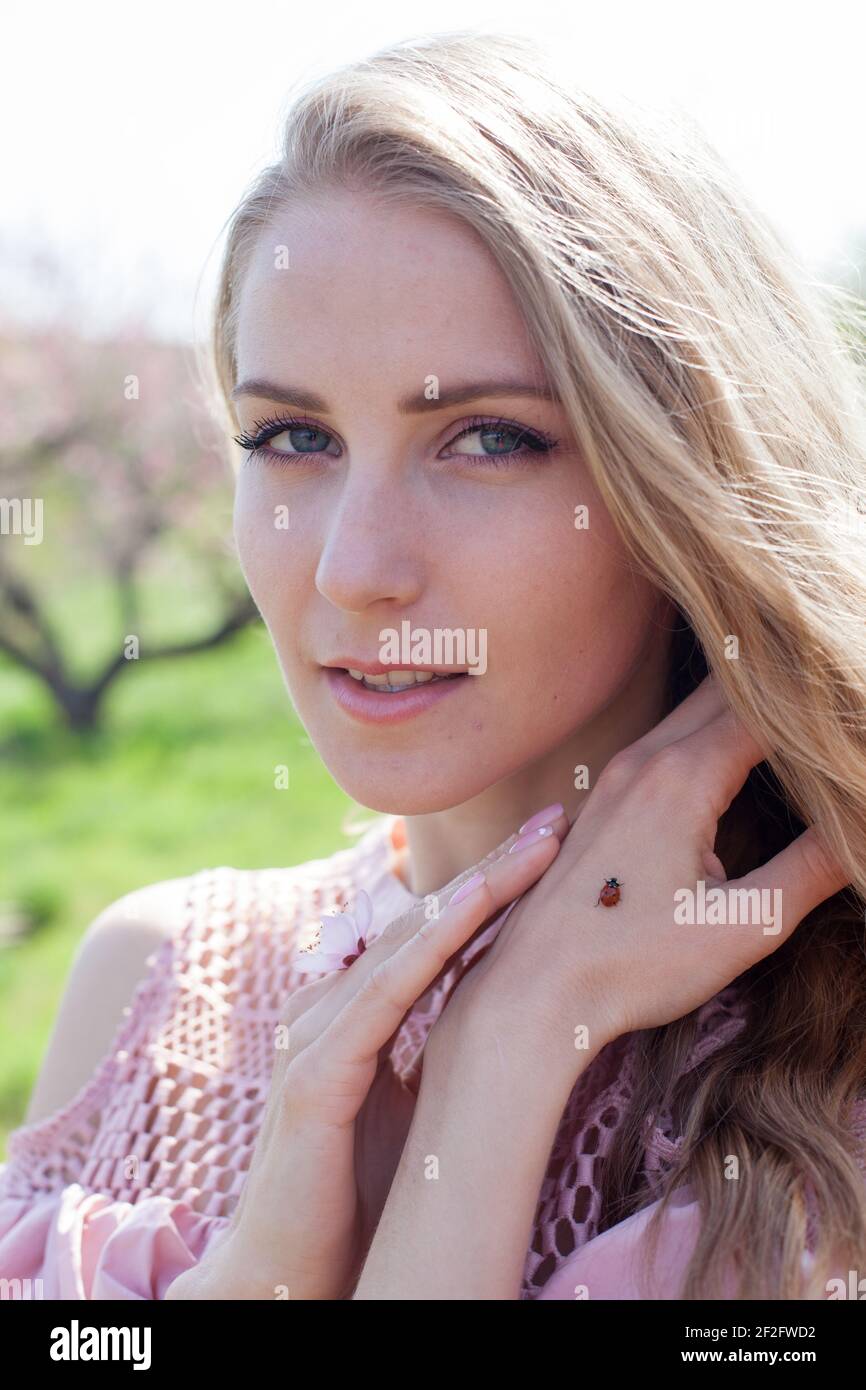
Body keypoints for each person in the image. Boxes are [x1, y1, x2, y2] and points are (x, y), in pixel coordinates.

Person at [3, 28, 866, 1301]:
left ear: (676, 481)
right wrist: (252, 1273)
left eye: (487, 439)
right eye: (291, 436)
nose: (353, 569)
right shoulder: (156, 982)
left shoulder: (826, 1113)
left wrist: (505, 1041)